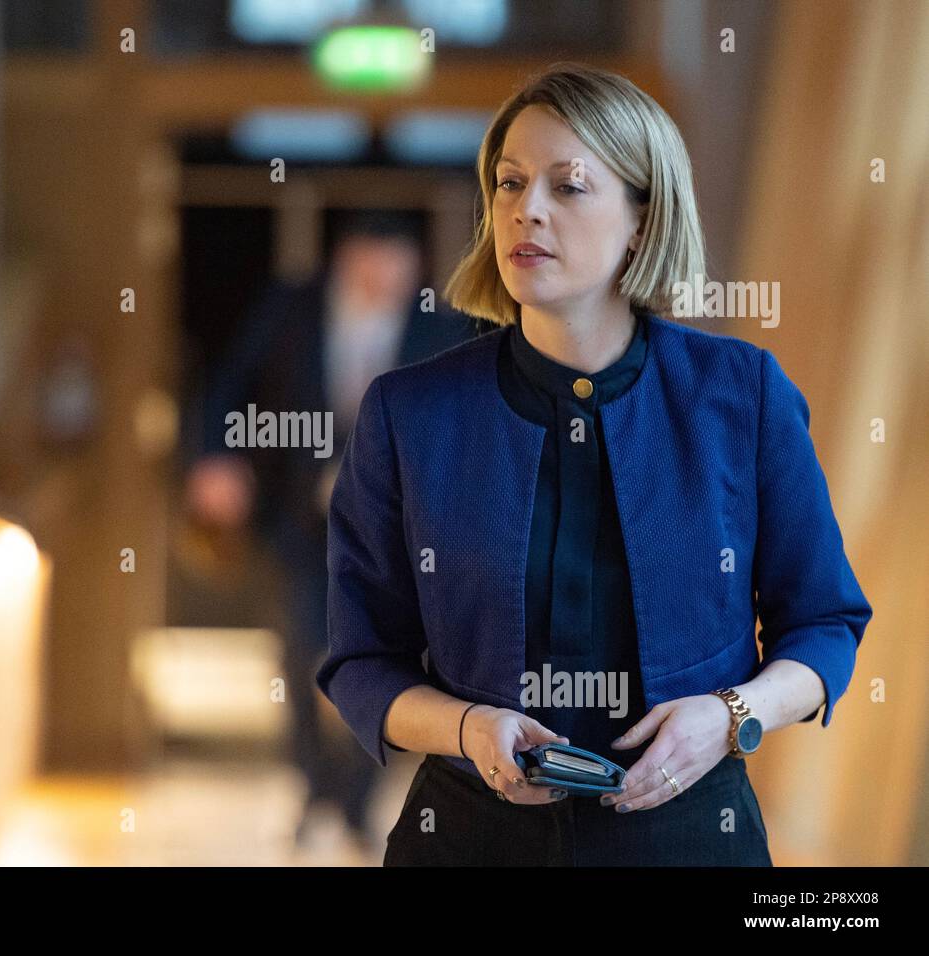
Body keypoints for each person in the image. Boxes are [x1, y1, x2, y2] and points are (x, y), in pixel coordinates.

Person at [316, 63, 873, 866]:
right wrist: (470, 730)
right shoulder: (411, 413)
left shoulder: (741, 395)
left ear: (642, 220)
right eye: (508, 183)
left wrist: (729, 714)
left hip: (690, 840)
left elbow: (824, 626)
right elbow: (362, 660)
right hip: (468, 840)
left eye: (568, 186)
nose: (524, 209)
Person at [185, 210, 480, 853]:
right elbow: (229, 380)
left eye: (400, 264)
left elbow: (467, 418)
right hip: (299, 520)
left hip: (394, 534)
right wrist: (215, 455)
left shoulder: (439, 324)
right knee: (299, 652)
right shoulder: (292, 310)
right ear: (346, 259)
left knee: (386, 661)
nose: (386, 276)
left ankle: (355, 801)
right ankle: (311, 786)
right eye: (372, 260)